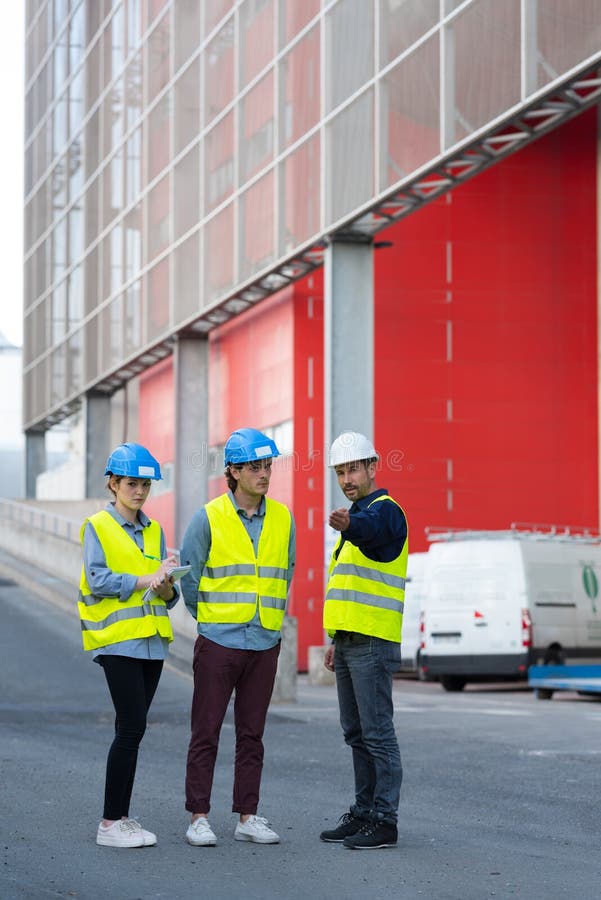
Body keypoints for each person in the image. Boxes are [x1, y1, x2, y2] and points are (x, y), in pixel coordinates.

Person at [180, 427, 295, 847]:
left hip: (264, 640)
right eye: (255, 466)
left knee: (252, 734)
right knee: (205, 731)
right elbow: (189, 579)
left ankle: (248, 815)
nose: (264, 473)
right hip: (219, 642)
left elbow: (287, 570)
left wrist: (271, 619)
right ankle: (199, 817)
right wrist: (208, 618)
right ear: (233, 470)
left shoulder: (283, 518)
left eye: (268, 465)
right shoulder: (207, 516)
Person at [78, 442, 179, 848]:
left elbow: (167, 597)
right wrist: (145, 579)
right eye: (132, 483)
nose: (139, 490)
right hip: (118, 642)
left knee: (132, 730)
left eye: (145, 484)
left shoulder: (154, 531)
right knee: (131, 727)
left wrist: (168, 583)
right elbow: (98, 578)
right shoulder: (97, 526)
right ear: (114, 483)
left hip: (152, 642)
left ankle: (119, 816)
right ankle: (109, 824)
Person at [320, 431, 408, 850]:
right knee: (355, 733)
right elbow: (347, 588)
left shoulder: (385, 513)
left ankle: (384, 820)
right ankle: (363, 813)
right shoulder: (355, 519)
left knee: (377, 734)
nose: (347, 477)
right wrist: (334, 638)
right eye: (340, 471)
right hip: (351, 641)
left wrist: (350, 523)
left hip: (374, 642)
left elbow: (371, 532)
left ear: (373, 467)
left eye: (353, 468)